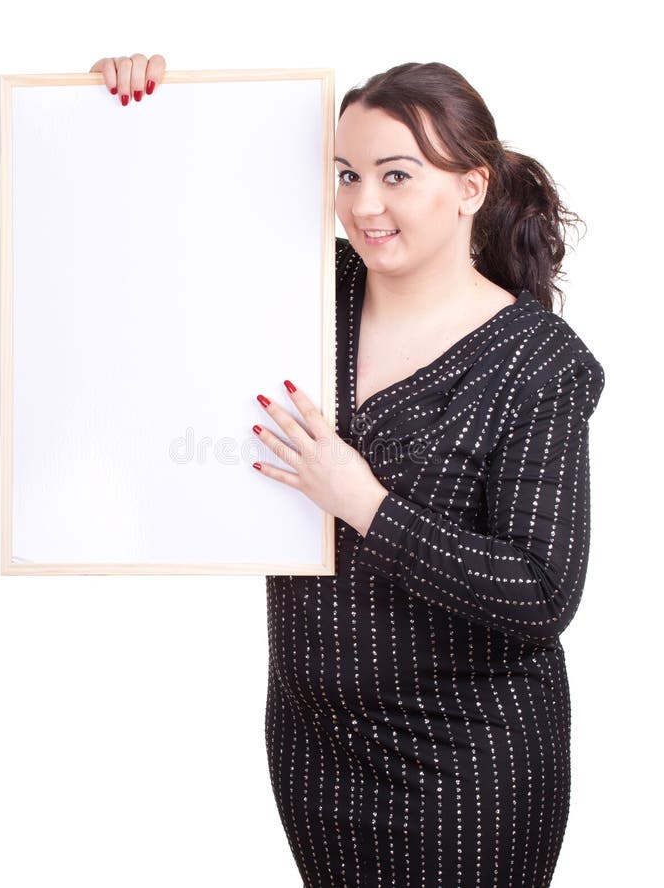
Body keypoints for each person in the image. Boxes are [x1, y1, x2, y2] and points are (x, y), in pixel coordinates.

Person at [90, 54, 605, 887]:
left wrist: (364, 502)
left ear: (470, 187)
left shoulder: (538, 362)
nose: (364, 204)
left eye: (397, 175)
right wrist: (131, 111)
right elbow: (161, 246)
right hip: (311, 746)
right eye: (346, 174)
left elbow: (543, 590)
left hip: (468, 759)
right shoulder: (307, 288)